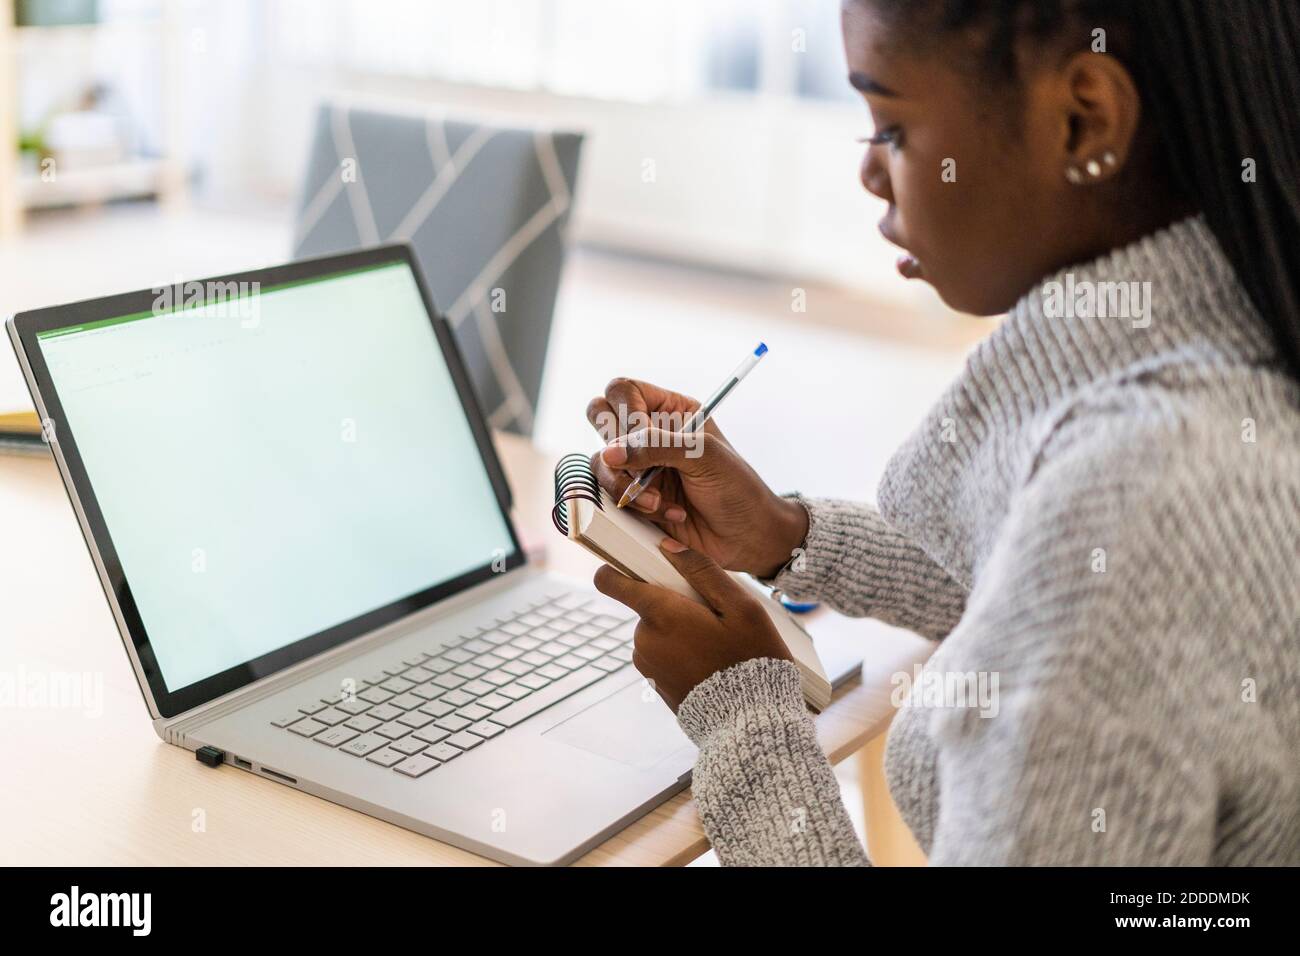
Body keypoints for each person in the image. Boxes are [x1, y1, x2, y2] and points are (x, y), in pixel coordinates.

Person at [585, 0, 1300, 865]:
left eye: (891, 125)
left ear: (1084, 121)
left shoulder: (1137, 497)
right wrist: (785, 535)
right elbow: (1040, 597)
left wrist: (745, 715)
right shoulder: (1239, 354)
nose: (871, 175)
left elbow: (1096, 589)